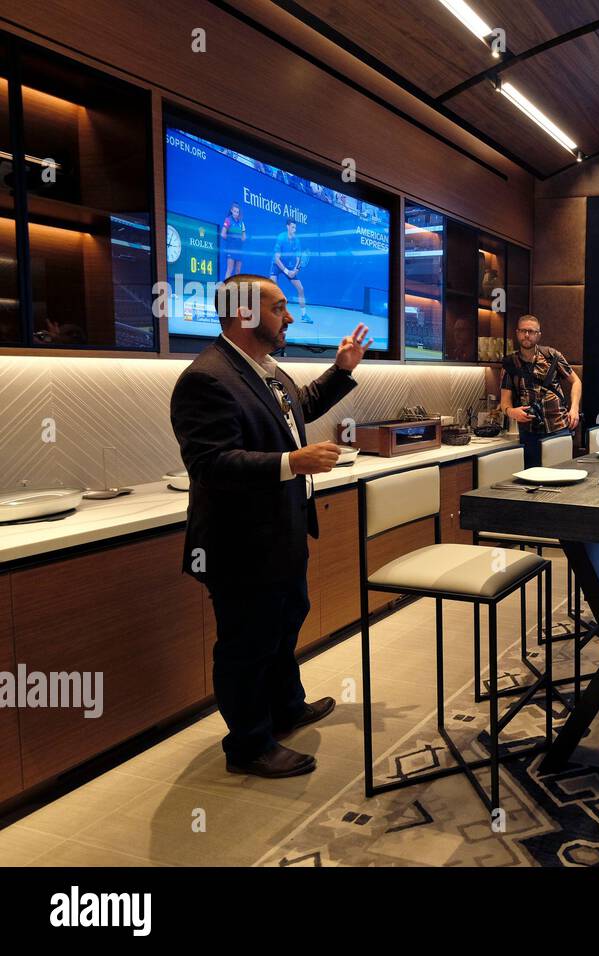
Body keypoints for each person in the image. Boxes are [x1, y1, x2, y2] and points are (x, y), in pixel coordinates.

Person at [170, 274, 371, 777]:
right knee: (246, 643)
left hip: (282, 531)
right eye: (280, 307)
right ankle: (248, 745)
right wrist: (291, 463)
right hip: (240, 542)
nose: (291, 316)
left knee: (284, 625)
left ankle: (286, 707)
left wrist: (340, 371)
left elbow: (296, 410)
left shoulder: (265, 371)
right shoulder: (206, 378)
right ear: (244, 315)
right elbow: (211, 464)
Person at [499, 314, 582, 467]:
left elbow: (576, 381)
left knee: (562, 476)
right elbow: (504, 402)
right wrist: (512, 412)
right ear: (517, 333)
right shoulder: (510, 363)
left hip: (558, 426)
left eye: (531, 331)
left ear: (538, 335)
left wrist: (574, 409)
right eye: (523, 331)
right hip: (530, 431)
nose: (526, 335)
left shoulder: (552, 355)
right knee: (533, 480)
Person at [272, 219, 311, 323]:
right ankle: (272, 314)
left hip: (289, 265)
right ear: (287, 227)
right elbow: (276, 259)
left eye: (295, 228)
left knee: (301, 288)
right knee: (272, 290)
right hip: (276, 265)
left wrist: (295, 270)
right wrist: (286, 271)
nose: (294, 229)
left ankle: (304, 315)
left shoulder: (297, 241)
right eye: (292, 227)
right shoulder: (281, 238)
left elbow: (299, 259)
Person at [220, 201, 245, 279]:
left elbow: (244, 237)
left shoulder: (241, 223)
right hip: (231, 249)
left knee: (238, 271)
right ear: (231, 211)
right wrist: (231, 240)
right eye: (234, 211)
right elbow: (222, 234)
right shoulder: (228, 220)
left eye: (237, 212)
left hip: (239, 250)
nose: (236, 213)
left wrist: (240, 240)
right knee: (229, 270)